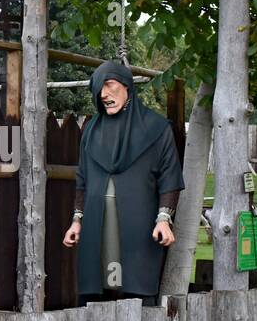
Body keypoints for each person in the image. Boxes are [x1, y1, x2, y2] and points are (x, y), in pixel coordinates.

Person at [62, 60, 185, 305]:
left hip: (138, 226)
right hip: (96, 223)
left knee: (136, 290)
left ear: (127, 85)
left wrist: (164, 219)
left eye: (110, 85)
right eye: (99, 89)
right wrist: (77, 221)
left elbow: (169, 177)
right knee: (95, 288)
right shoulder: (91, 131)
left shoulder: (156, 128)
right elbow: (83, 179)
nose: (104, 94)